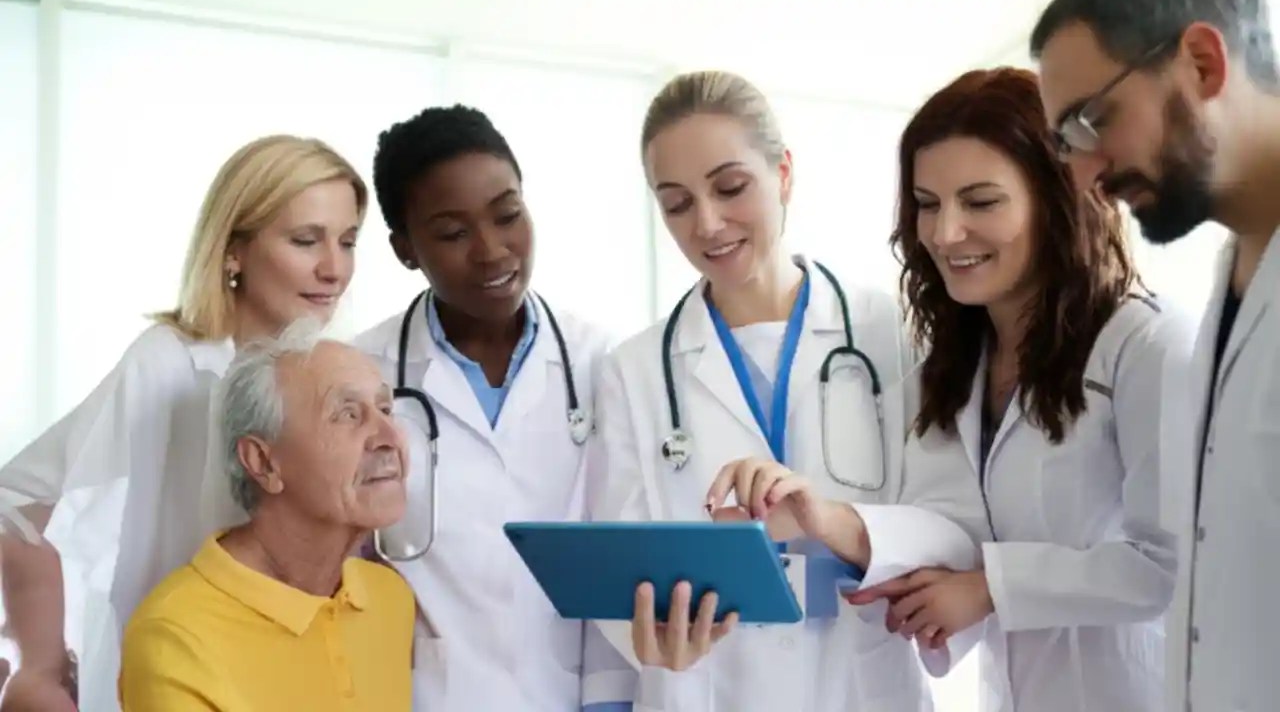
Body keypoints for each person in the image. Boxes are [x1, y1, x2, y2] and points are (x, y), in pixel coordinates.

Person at [583, 70, 978, 712]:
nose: (707, 223)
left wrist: (833, 522)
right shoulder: (633, 370)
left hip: (861, 682)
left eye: (731, 187)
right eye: (677, 203)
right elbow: (623, 568)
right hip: (707, 689)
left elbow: (956, 529)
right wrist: (653, 633)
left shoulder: (893, 333)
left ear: (784, 173)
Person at [843, 67, 1191, 712]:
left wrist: (989, 588)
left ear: (1055, 199)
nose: (946, 233)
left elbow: (1171, 567)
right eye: (927, 203)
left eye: (980, 201)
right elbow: (949, 529)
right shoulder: (948, 373)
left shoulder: (1146, 344)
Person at [0, 135, 367, 712]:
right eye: (306, 240)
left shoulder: (329, 377)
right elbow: (18, 506)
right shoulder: (172, 364)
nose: (334, 269)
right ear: (232, 251)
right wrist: (41, 669)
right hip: (174, 671)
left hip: (289, 667)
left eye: (347, 242)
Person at [1029, 0, 1280, 709]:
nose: (1084, 174)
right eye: (1065, 142)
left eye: (1093, 120)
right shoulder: (1229, 283)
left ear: (1202, 63)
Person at [353, 104, 613, 711]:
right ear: (404, 249)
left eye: (508, 215)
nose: (493, 250)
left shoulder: (603, 363)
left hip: (577, 694)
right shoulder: (362, 374)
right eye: (452, 232)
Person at [119, 322, 414, 710]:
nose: (390, 436)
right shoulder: (175, 638)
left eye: (386, 409)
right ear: (263, 462)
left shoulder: (390, 599)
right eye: (347, 414)